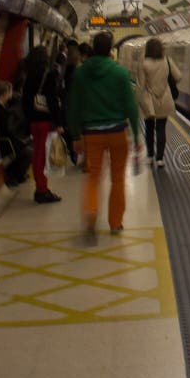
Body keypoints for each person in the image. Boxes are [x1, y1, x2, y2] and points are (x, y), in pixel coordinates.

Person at [68, 31, 140, 235]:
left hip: (92, 134)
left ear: (92, 48)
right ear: (111, 49)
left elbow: (74, 106)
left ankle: (91, 211)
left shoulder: (81, 73)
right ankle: (115, 223)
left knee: (93, 176)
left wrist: (75, 135)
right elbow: (130, 106)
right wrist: (136, 134)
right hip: (118, 132)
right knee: (118, 179)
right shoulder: (120, 72)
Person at [20, 46, 63, 204]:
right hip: (45, 122)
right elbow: (52, 101)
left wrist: (29, 117)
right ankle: (42, 190)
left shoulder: (29, 76)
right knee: (42, 157)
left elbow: (24, 100)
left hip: (33, 122)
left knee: (38, 154)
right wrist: (58, 122)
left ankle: (41, 187)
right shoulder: (49, 75)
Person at [136, 38, 181, 168]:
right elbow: (178, 76)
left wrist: (138, 100)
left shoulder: (143, 62)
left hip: (148, 100)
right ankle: (160, 159)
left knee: (149, 129)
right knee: (161, 129)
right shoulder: (166, 60)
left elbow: (140, 85)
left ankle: (150, 156)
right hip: (164, 98)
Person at [0, 81, 32, 187]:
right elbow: (6, 130)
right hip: (5, 141)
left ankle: (18, 175)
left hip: (6, 138)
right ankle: (12, 175)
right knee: (28, 152)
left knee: (28, 146)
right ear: (5, 93)